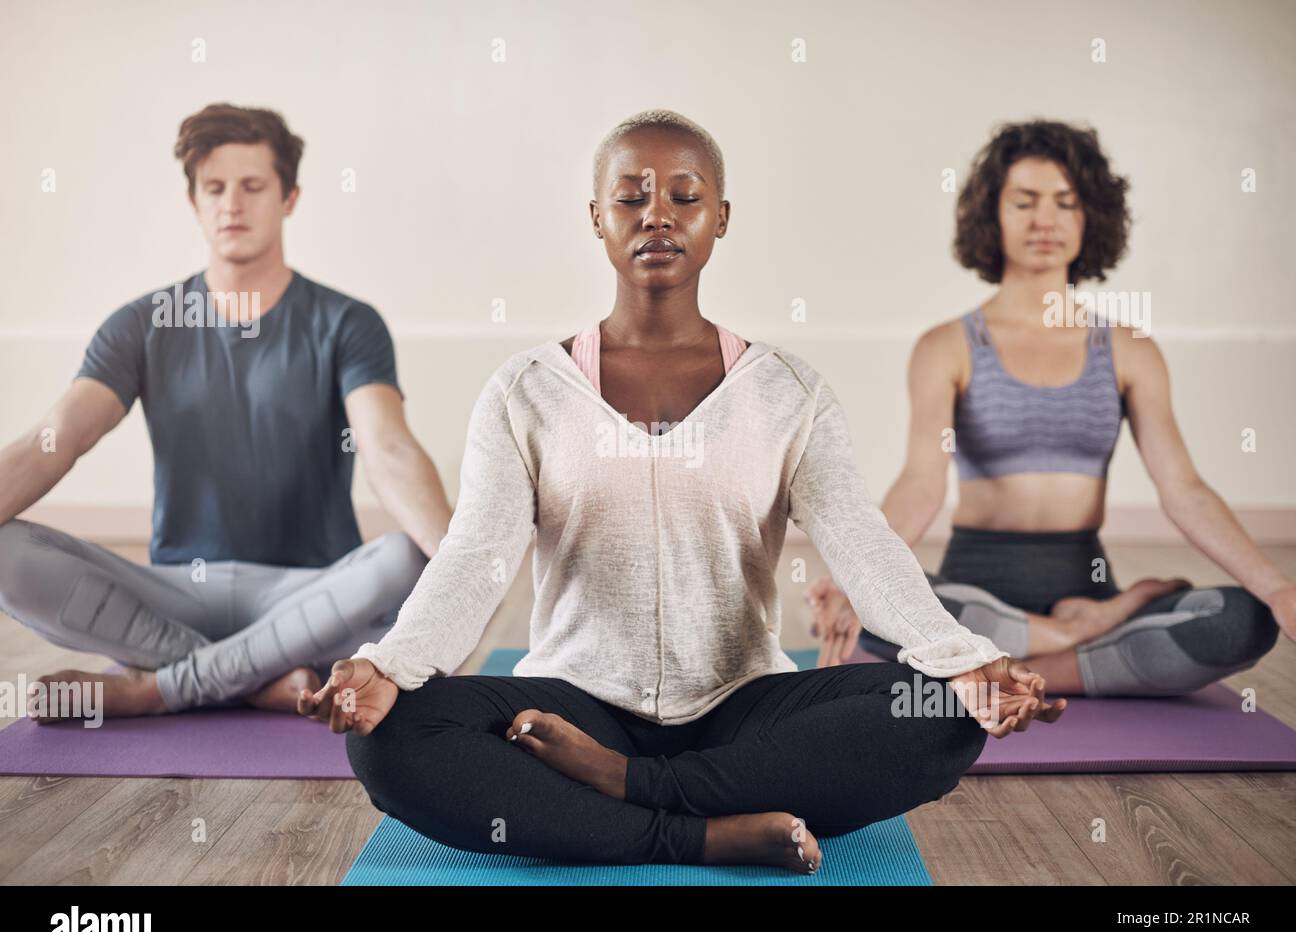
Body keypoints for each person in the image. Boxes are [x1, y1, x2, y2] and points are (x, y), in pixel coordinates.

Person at [300, 109, 1063, 872]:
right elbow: (475, 557)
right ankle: (703, 832)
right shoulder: (524, 391)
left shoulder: (788, 391)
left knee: (941, 713)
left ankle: (623, 790)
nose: (656, 214)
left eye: (684, 196)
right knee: (388, 737)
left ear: (720, 218)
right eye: (630, 197)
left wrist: (962, 660)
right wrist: (390, 666)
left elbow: (861, 543)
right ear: (596, 218)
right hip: (576, 703)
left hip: (741, 708)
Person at [809, 119, 1296, 698]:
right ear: (993, 215)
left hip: (1085, 583)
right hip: (975, 589)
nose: (1046, 220)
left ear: (1090, 218)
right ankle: (1087, 641)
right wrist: (859, 580)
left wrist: (1278, 589)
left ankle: (1002, 667)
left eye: (1066, 203)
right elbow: (921, 484)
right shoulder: (946, 346)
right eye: (1025, 202)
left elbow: (1183, 490)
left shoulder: (1129, 350)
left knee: (1243, 620)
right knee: (878, 610)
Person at [0, 103, 449, 720]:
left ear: (289, 198)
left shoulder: (348, 322)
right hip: (176, 592)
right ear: (194, 201)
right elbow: (58, 437)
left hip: (311, 597)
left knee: (405, 558)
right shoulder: (141, 324)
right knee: (5, 548)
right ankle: (253, 680)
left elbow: (388, 448)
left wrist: (459, 564)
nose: (232, 204)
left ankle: (158, 688)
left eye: (252, 186)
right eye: (214, 188)